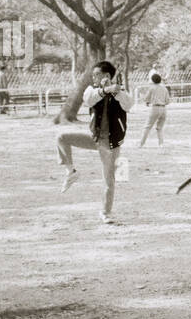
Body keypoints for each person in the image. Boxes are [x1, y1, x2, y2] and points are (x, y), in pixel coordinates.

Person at [57, 61, 131, 223]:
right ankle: (71, 172)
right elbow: (89, 100)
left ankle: (106, 213)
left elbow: (128, 104)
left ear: (106, 76)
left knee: (109, 179)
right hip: (96, 137)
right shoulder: (92, 90)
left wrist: (115, 91)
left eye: (96, 74)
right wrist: (105, 90)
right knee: (62, 138)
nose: (93, 77)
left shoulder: (119, 91)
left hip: (110, 143)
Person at [140, 72, 171, 147]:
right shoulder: (164, 88)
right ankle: (161, 144)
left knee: (147, 126)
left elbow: (146, 98)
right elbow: (167, 101)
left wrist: (145, 100)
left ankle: (141, 144)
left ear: (153, 80)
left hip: (155, 108)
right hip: (163, 109)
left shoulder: (152, 88)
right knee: (159, 128)